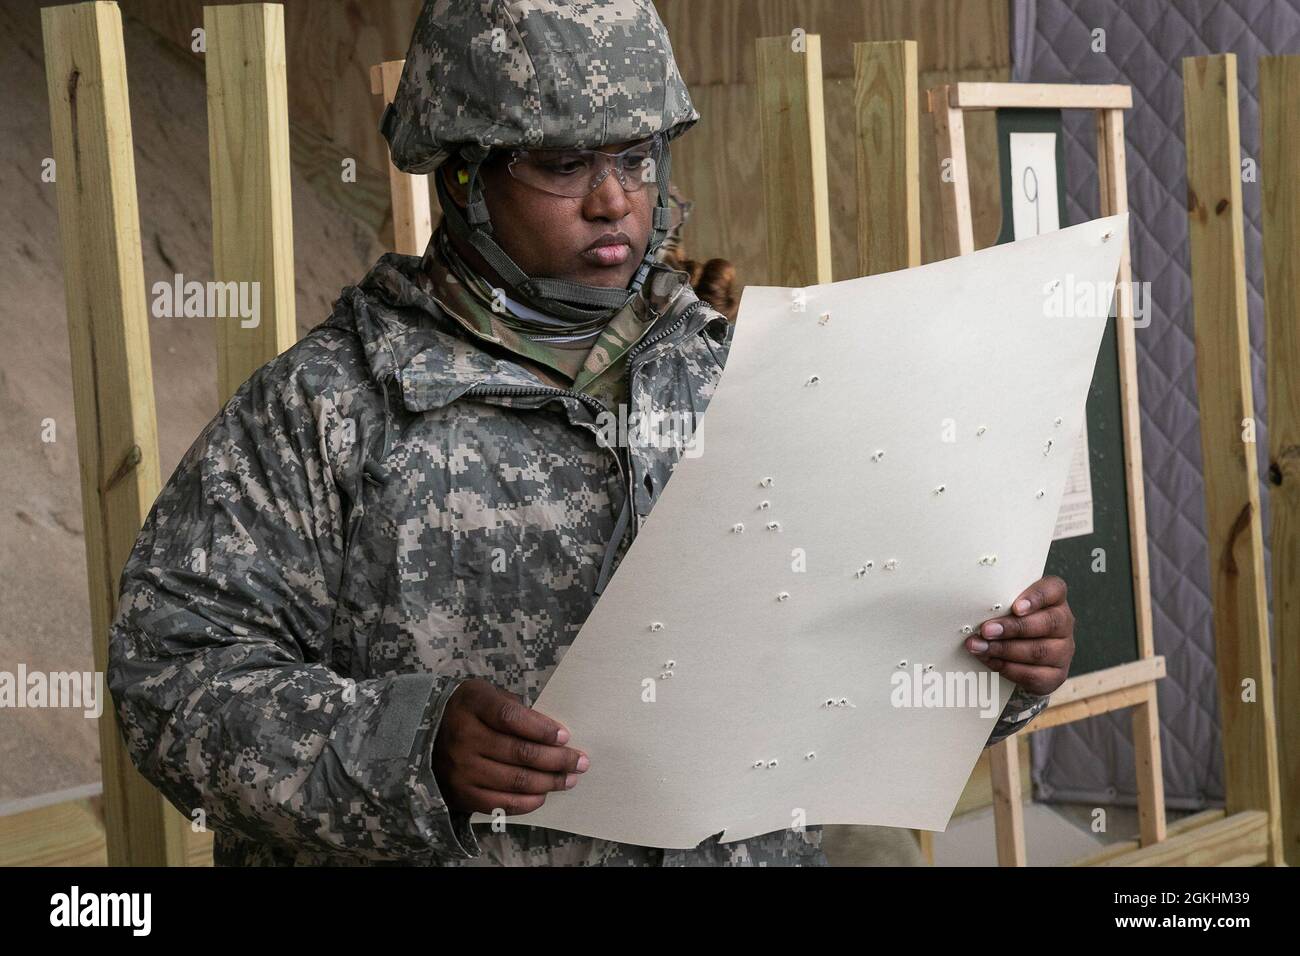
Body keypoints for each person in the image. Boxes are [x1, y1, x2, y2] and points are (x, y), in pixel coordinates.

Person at [107, 0, 1074, 867]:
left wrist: (995, 660)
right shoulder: (330, 407)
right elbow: (171, 677)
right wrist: (411, 746)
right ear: (464, 180)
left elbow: (857, 642)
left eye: (635, 158)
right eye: (563, 164)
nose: (613, 200)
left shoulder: (743, 373)